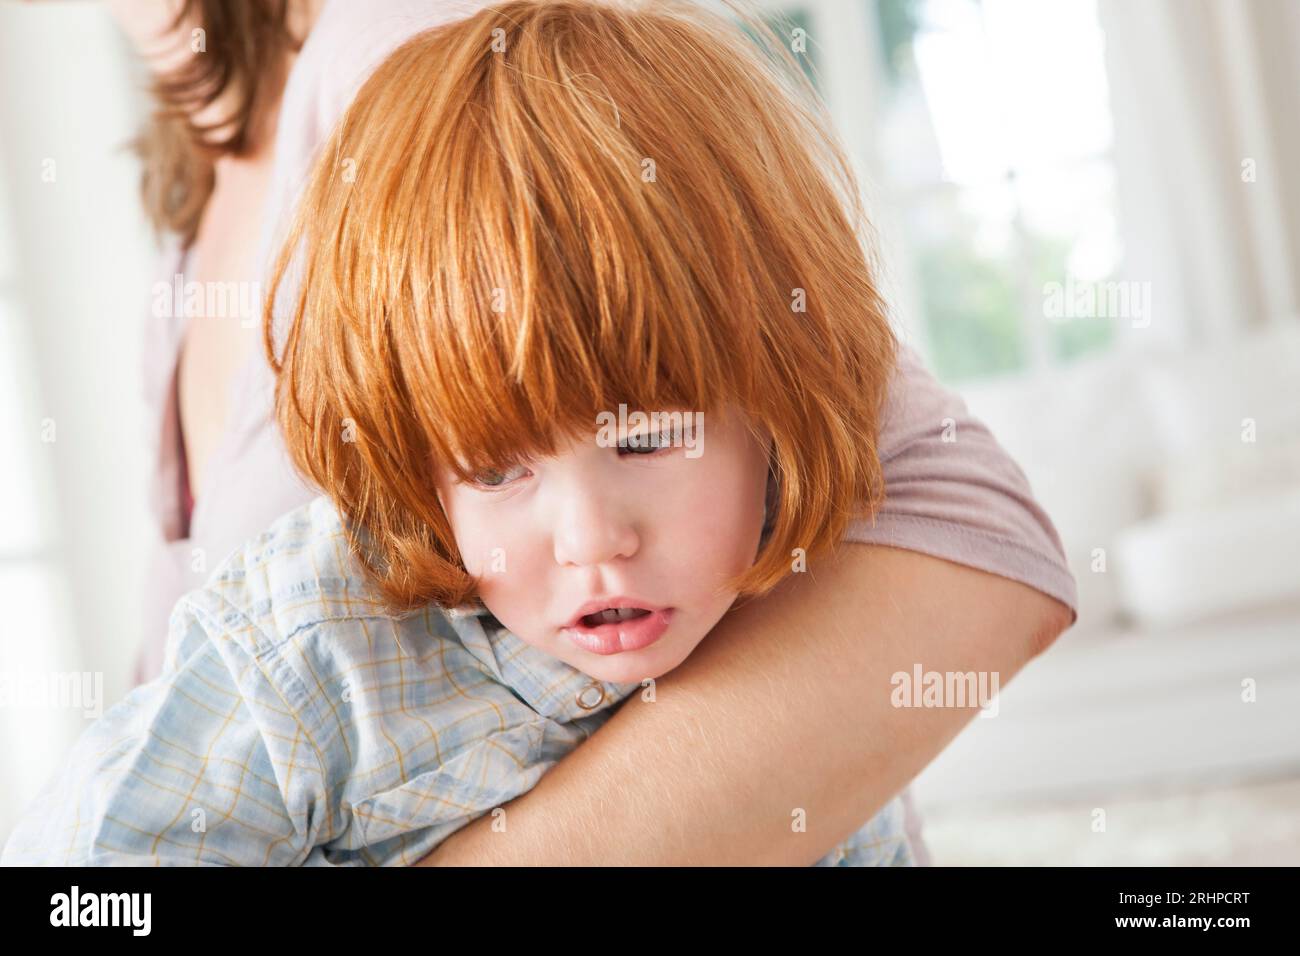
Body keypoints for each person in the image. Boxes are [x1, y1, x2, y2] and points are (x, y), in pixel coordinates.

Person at [120, 0, 1076, 866]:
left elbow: (967, 525)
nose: (590, 536)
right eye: (497, 467)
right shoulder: (195, 186)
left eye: (645, 441)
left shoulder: (431, 44)